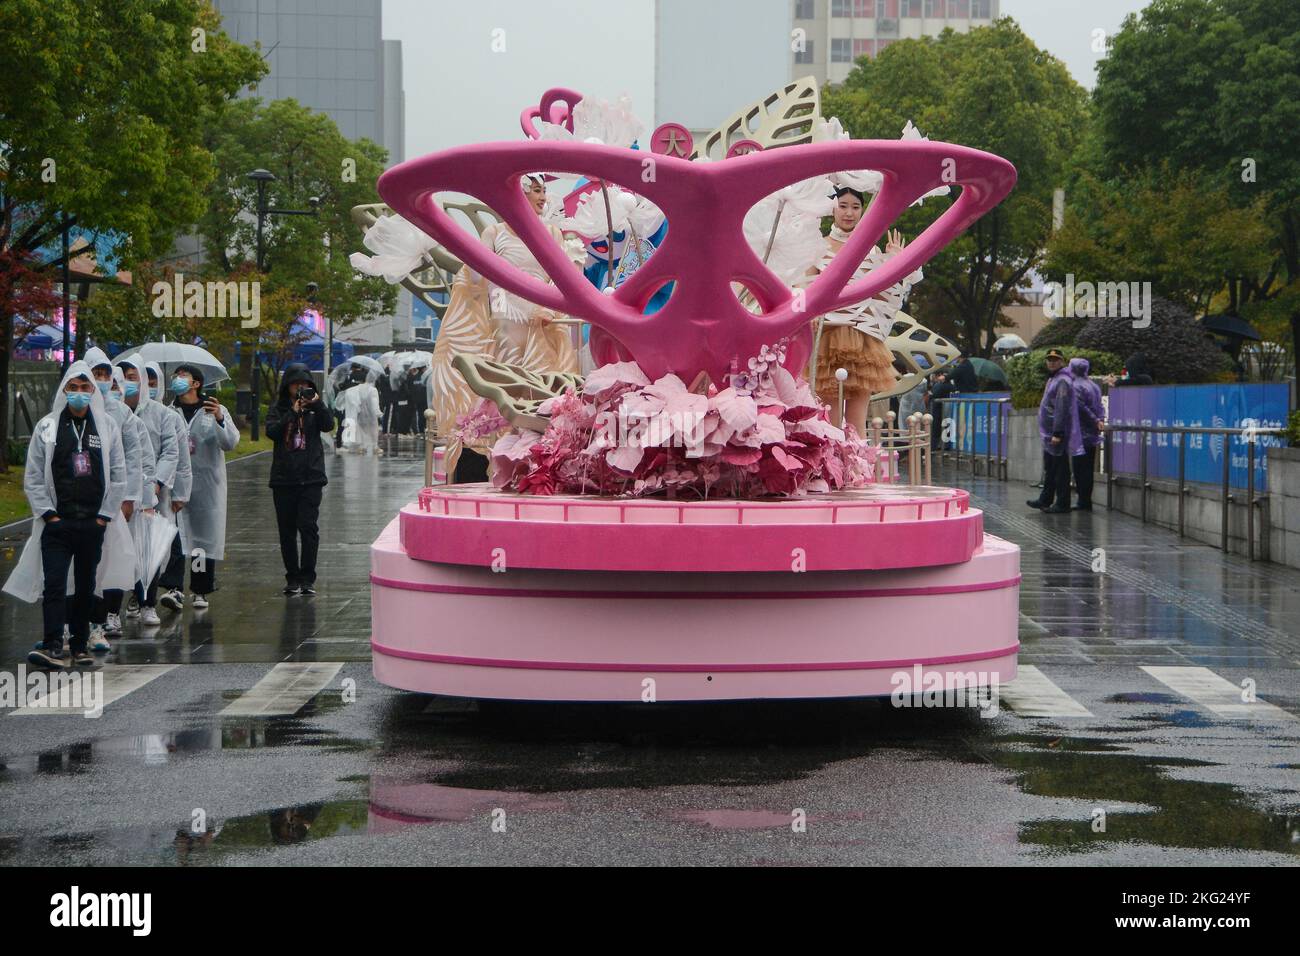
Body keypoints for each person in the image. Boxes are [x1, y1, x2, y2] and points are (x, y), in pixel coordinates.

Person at [429, 173, 581, 481]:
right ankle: (503, 457)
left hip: (542, 320)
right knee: (507, 380)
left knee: (541, 383)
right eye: (536, 190)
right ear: (519, 193)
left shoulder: (552, 232)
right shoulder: (495, 233)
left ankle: (535, 456)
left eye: (544, 190)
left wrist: (550, 304)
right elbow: (476, 277)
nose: (543, 197)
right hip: (505, 318)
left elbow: (563, 276)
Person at [4, 362, 128, 669]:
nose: (80, 393)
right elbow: (34, 475)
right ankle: (52, 645)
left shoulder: (107, 426)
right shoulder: (47, 426)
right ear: (64, 390)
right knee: (55, 585)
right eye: (74, 387)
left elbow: (118, 474)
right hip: (58, 523)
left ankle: (80, 645)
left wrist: (104, 516)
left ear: (93, 392)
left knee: (86, 586)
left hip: (92, 522)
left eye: (85, 388)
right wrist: (49, 515)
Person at [808, 186, 920, 438]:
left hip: (863, 340)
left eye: (855, 207)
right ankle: (834, 462)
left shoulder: (871, 250)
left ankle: (857, 463)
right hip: (827, 339)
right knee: (830, 420)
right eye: (843, 206)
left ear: (862, 210)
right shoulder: (818, 247)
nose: (849, 213)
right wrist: (811, 313)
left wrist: (894, 263)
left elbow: (883, 298)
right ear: (833, 208)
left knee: (857, 423)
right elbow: (803, 289)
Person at [82, 347, 152, 652]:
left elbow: (132, 459)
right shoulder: (70, 413)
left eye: (104, 374)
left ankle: (105, 617)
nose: (100, 380)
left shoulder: (121, 414)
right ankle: (73, 624)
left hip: (112, 502)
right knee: (80, 566)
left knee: (110, 561)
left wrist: (129, 497)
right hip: (79, 502)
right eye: (95, 374)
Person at [157, 364, 238, 609]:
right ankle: (173, 587)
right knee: (173, 536)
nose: (177, 379)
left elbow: (230, 442)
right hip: (175, 483)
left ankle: (200, 589)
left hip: (206, 485)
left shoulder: (213, 410)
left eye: (183, 376)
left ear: (196, 383)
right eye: (175, 376)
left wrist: (219, 418)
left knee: (201, 540)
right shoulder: (168, 411)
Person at [118, 356, 185, 626]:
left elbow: (171, 452)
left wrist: (156, 483)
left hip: (152, 494)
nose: (128, 383)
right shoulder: (111, 413)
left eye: (134, 378)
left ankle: (146, 600)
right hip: (119, 494)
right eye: (124, 378)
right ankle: (114, 607)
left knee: (149, 550)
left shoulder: (163, 415)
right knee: (119, 550)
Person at [266, 363, 334, 595]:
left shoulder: (315, 408)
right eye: (296, 384)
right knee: (286, 531)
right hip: (284, 479)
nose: (300, 389)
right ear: (287, 386)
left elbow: (329, 425)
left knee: (308, 528)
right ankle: (292, 577)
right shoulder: (279, 409)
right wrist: (292, 413)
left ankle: (307, 578)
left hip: (311, 477)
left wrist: (317, 404)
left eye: (304, 385)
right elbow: (272, 432)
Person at [1027, 349, 1081, 514]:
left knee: (1060, 469)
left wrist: (1058, 432)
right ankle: (1046, 499)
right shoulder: (1054, 378)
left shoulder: (1062, 380)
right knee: (1050, 468)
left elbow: (1061, 408)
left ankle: (1062, 503)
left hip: (1056, 433)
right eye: (1049, 360)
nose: (1051, 362)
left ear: (1062, 361)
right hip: (1049, 433)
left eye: (1055, 360)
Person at [1070, 357, 1105, 511]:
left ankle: (1083, 500)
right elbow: (1100, 406)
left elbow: (1080, 407)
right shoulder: (1093, 386)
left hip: (1079, 432)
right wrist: (1099, 420)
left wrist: (1094, 419)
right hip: (1092, 433)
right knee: (1088, 468)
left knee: (1079, 468)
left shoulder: (1075, 386)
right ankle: (1086, 499)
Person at [339, 364, 381, 454]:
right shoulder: (371, 388)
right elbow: (374, 402)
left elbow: (344, 388)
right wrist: (377, 412)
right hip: (368, 411)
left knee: (359, 427)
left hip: (357, 409)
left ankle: (361, 446)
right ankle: (374, 446)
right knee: (372, 427)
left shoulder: (350, 381)